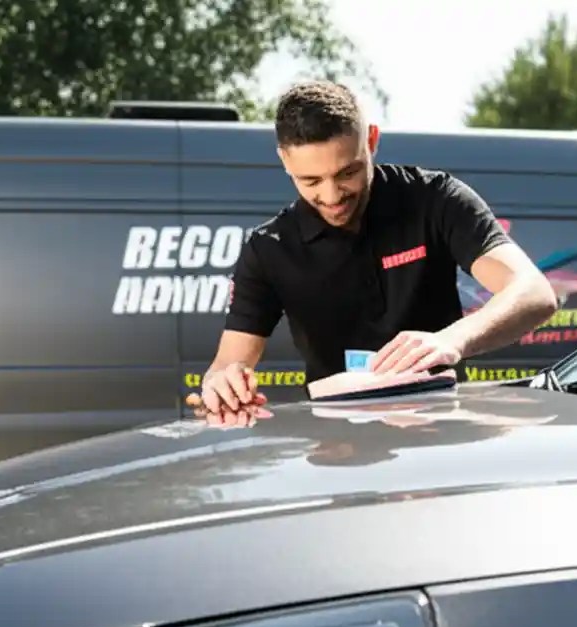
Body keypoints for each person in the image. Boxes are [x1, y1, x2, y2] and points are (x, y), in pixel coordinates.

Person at [191, 80, 558, 428]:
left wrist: (450, 340)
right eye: (311, 181)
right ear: (284, 161)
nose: (332, 196)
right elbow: (227, 364)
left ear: (372, 140)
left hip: (438, 439)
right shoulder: (269, 248)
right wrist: (222, 386)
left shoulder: (435, 199)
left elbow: (534, 292)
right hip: (337, 452)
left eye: (347, 172)